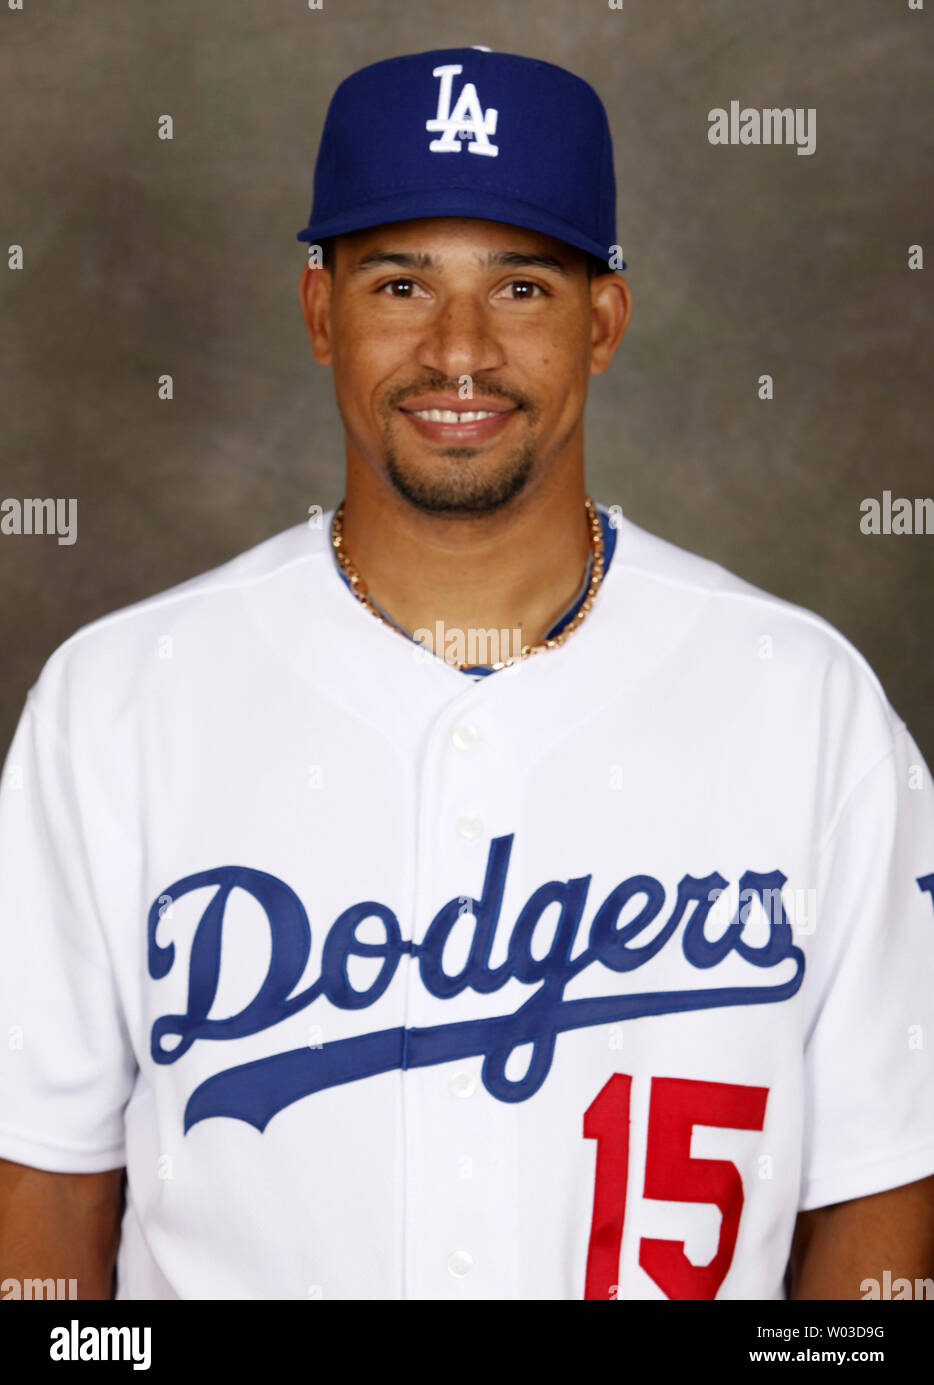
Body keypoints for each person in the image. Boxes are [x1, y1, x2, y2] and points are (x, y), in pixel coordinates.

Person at [1, 47, 932, 1302]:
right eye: (399, 283)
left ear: (603, 321)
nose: (458, 351)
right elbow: (44, 1185)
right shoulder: (115, 701)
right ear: (319, 310)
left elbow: (879, 1187)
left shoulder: (805, 701)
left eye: (521, 287)